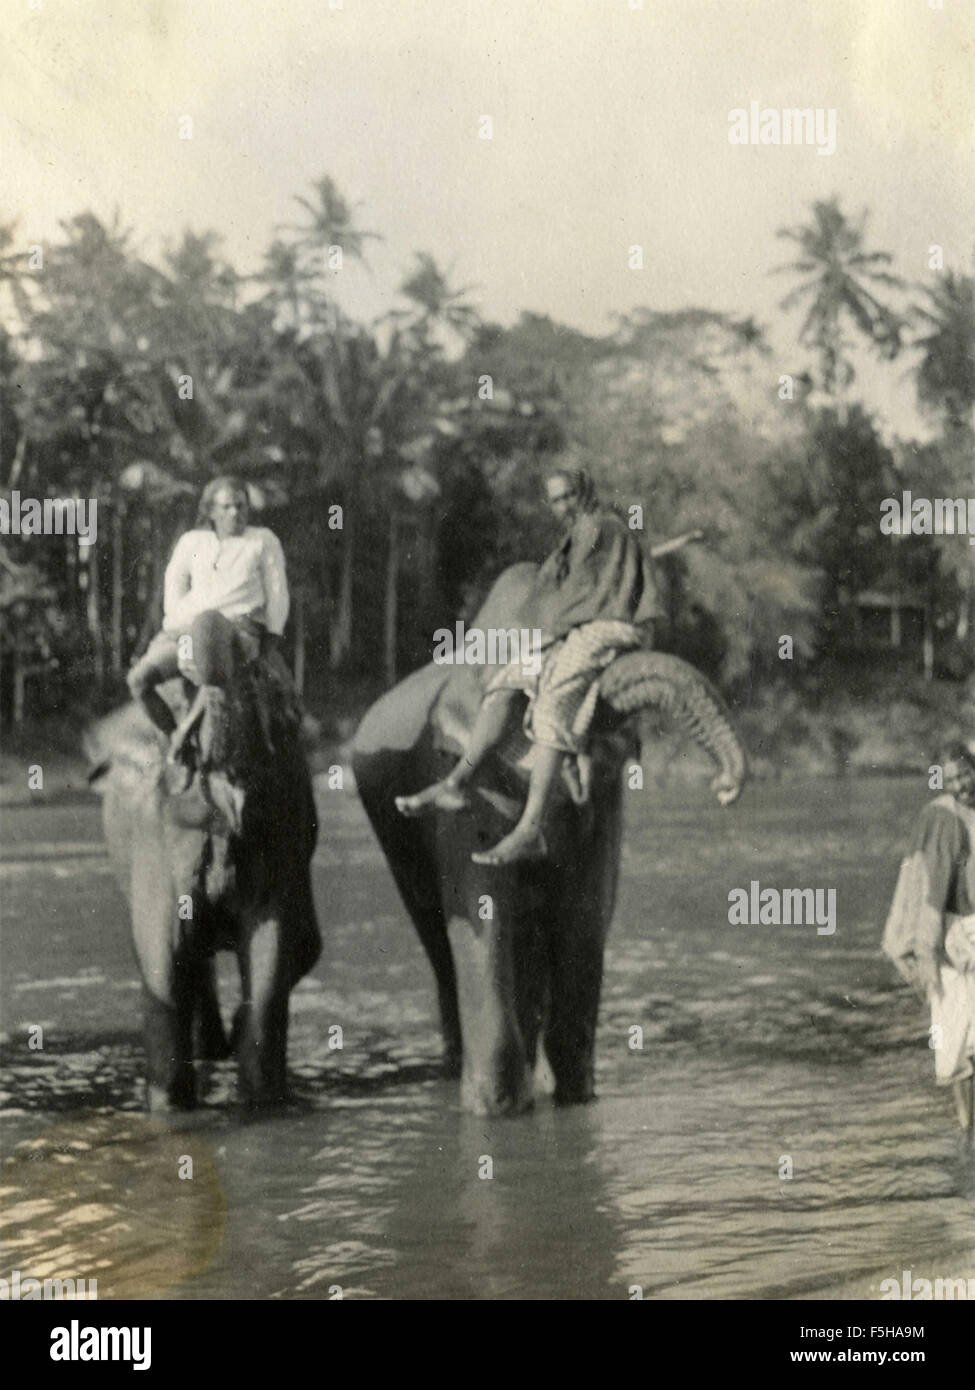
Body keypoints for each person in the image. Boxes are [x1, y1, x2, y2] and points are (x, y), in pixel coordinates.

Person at [396, 466, 684, 865]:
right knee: (504, 685)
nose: (563, 505)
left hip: (607, 629)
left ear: (584, 491)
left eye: (569, 495)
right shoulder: (575, 539)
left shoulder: (606, 529)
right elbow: (558, 588)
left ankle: (531, 828)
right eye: (556, 499)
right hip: (571, 630)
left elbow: (597, 595)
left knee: (553, 704)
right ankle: (455, 782)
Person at [126, 476, 290, 767]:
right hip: (190, 632)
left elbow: (277, 592)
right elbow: (174, 584)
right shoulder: (192, 541)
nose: (235, 513)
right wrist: (176, 627)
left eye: (241, 506)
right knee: (139, 680)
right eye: (226, 507)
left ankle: (187, 732)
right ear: (211, 511)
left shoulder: (262, 540)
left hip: (239, 630)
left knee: (212, 669)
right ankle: (179, 739)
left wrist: (272, 634)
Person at [882, 740, 975, 1143]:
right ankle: (965, 1124)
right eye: (951, 779)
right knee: (957, 1038)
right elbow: (932, 892)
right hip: (955, 934)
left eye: (965, 775)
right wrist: (926, 948)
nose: (960, 785)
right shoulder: (942, 820)